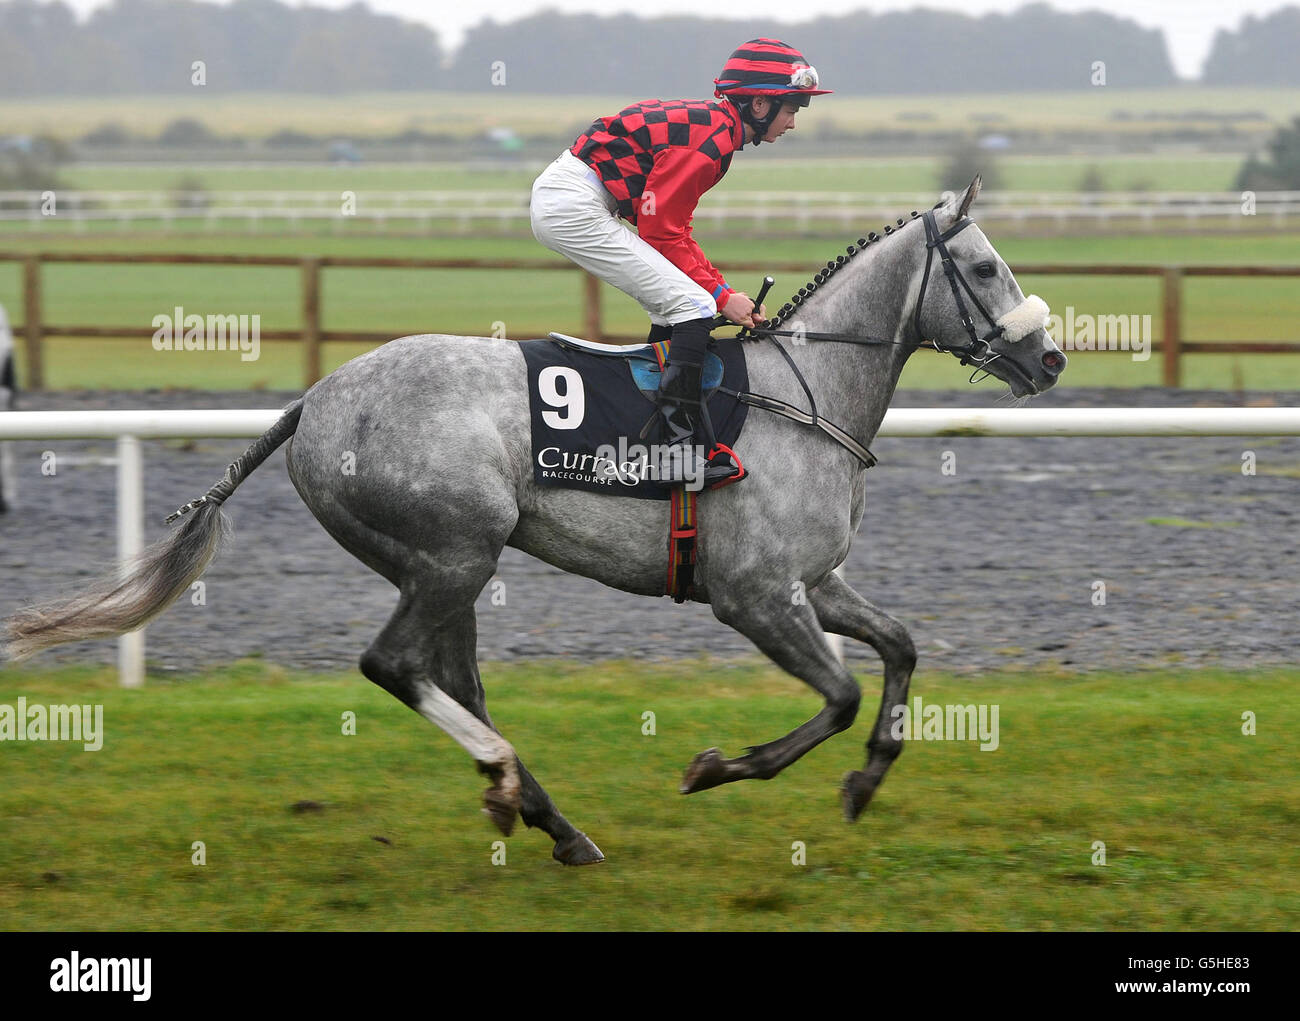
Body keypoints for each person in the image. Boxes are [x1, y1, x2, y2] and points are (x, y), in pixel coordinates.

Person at [529, 38, 830, 486]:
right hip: (573, 205)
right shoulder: (711, 140)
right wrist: (720, 296)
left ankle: (650, 429)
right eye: (793, 109)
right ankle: (674, 451)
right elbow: (660, 232)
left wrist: (723, 291)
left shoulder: (715, 129)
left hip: (575, 197)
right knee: (692, 305)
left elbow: (673, 231)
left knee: (679, 302)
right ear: (761, 103)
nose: (792, 123)